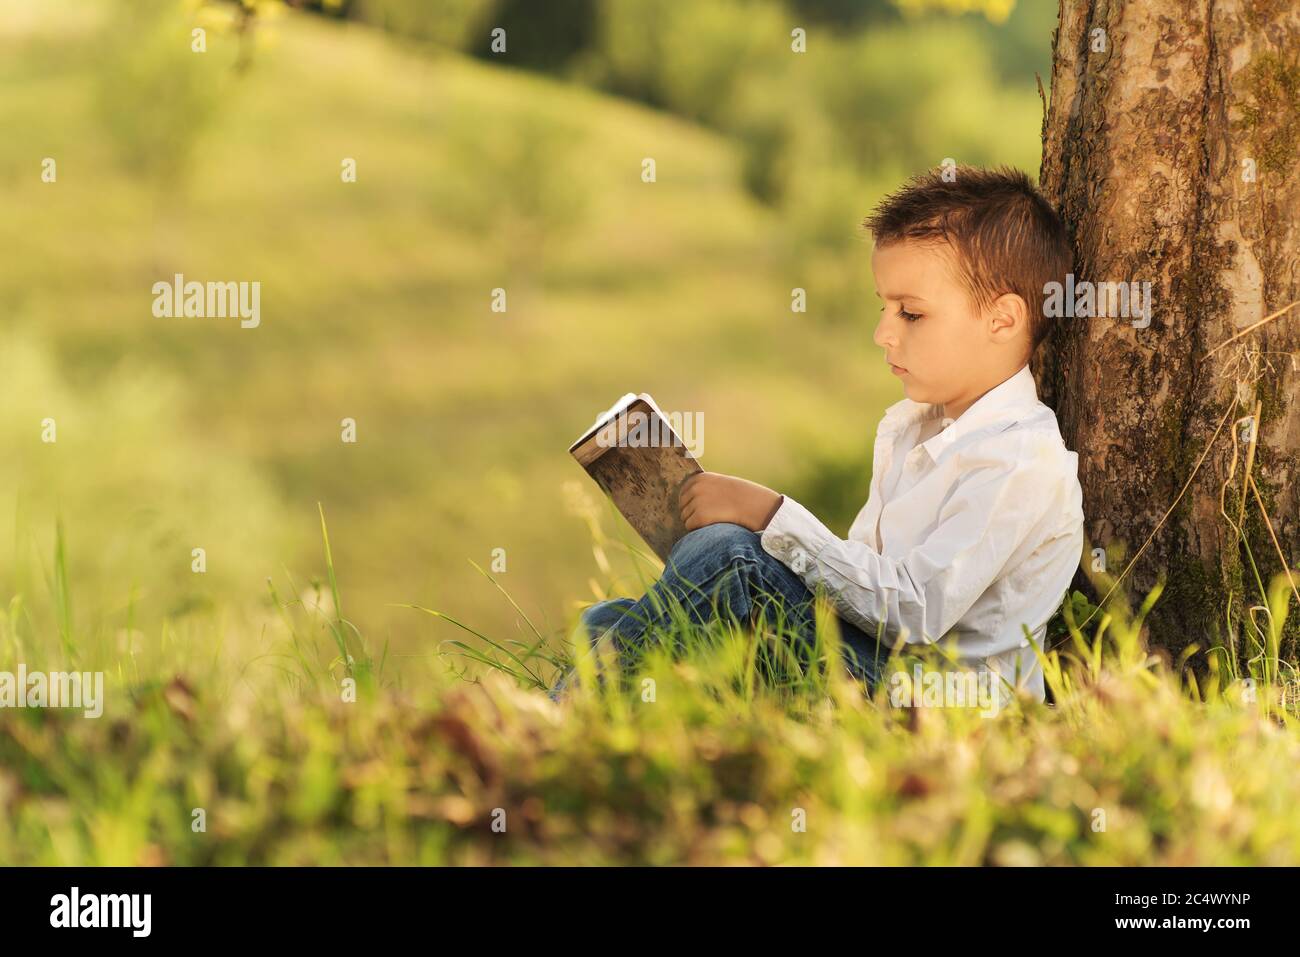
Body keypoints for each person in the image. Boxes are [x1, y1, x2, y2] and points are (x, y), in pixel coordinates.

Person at [551, 165, 1085, 706]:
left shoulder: (1020, 459)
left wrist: (771, 517)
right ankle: (610, 717)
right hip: (875, 664)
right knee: (610, 620)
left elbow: (915, 610)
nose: (883, 332)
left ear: (1003, 319)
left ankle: (559, 724)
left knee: (728, 559)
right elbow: (862, 592)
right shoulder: (914, 429)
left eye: (911, 314)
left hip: (936, 704)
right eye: (884, 307)